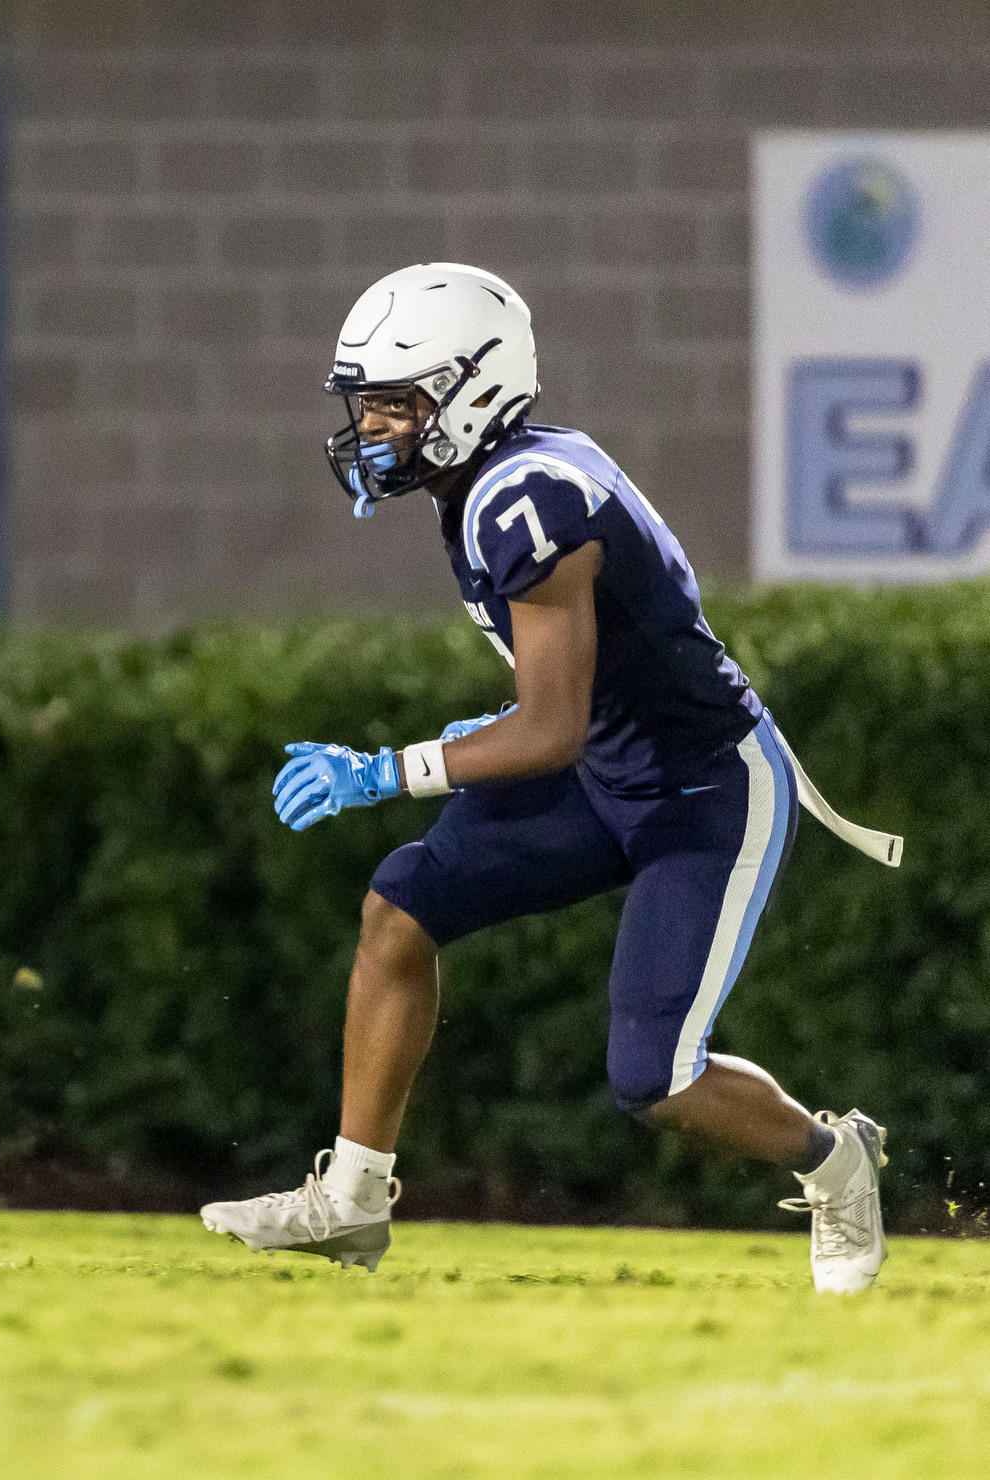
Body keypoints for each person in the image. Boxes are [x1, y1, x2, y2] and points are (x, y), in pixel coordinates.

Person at [199, 263, 904, 1292]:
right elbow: (576, 697)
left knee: (653, 1079)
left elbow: (549, 730)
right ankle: (349, 1201)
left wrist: (384, 768)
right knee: (399, 906)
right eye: (373, 404)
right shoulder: (495, 481)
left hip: (699, 789)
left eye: (399, 402)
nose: (376, 427)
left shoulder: (525, 498)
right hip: (607, 765)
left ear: (471, 389)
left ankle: (834, 1160)